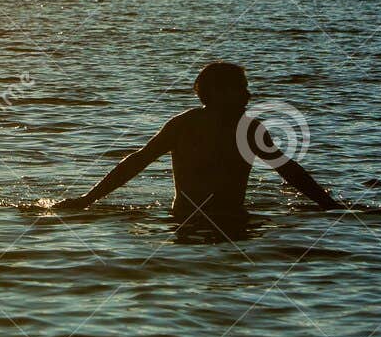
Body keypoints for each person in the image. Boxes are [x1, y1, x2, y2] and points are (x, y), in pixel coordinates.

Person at [51, 62, 343, 234]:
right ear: (216, 92)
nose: (248, 94)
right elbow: (138, 161)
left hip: (229, 221)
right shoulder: (184, 125)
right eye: (240, 88)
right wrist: (88, 199)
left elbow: (288, 170)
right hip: (190, 222)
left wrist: (328, 205)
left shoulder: (249, 128)